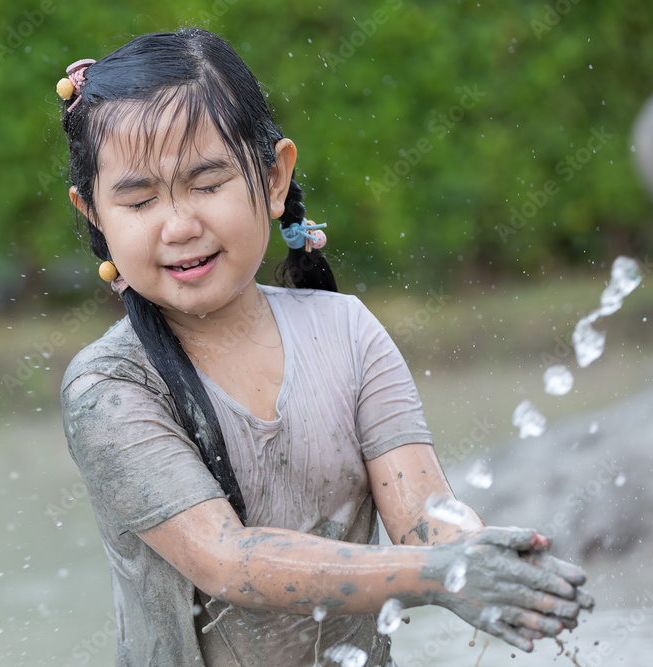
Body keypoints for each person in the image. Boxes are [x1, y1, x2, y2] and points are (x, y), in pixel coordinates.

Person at [56, 28, 592, 666]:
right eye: (140, 199)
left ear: (275, 177)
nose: (179, 225)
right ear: (94, 215)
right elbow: (230, 561)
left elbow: (423, 515)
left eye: (207, 184)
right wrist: (438, 575)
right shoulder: (109, 387)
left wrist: (478, 555)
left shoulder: (347, 331)